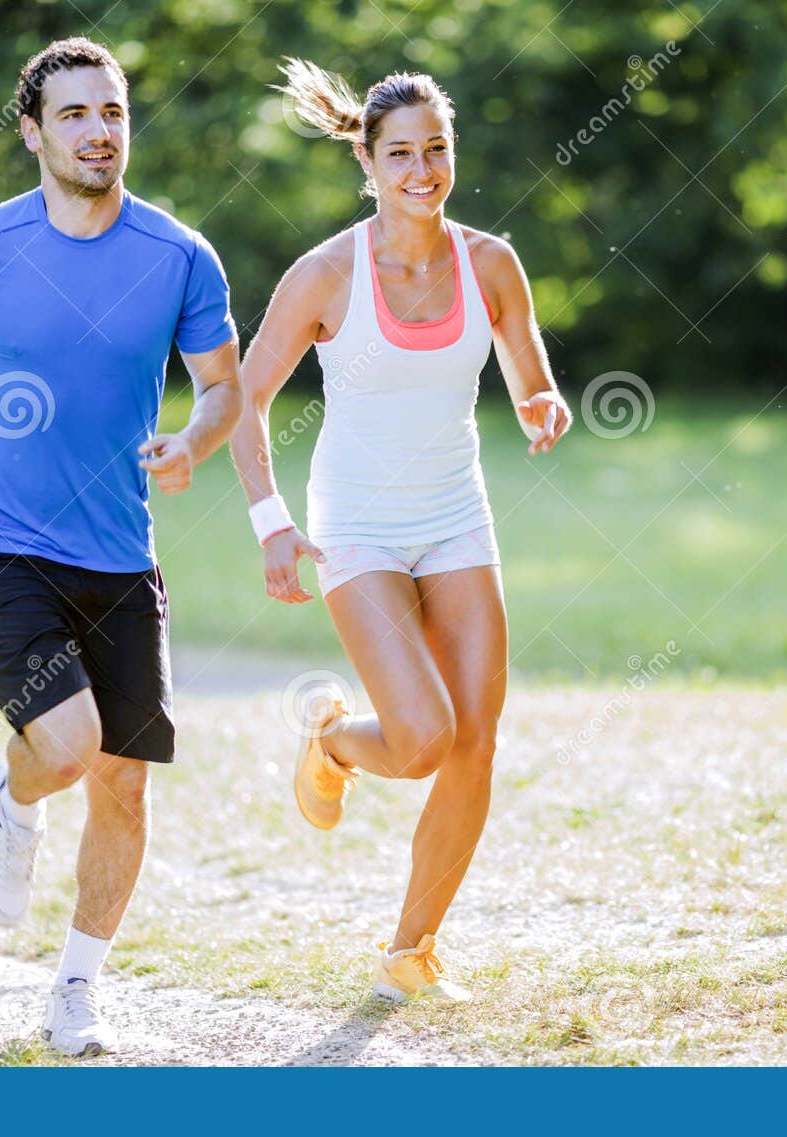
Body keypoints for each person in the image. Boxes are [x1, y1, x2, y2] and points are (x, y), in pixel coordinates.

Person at [0, 38, 242, 1055]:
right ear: (33, 131)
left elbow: (224, 383)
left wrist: (193, 438)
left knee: (125, 782)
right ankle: (18, 784)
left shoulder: (179, 255)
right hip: (1, 536)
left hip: (121, 551)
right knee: (72, 748)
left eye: (114, 112)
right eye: (76, 114)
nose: (98, 131)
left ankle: (75, 988)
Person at [230, 59, 572, 1004]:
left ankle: (410, 951)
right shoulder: (328, 274)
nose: (422, 169)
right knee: (421, 738)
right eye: (401, 154)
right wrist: (274, 527)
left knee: (475, 743)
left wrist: (542, 406)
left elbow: (527, 370)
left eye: (437, 149)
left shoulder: (490, 262)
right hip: (359, 529)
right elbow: (245, 399)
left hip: (457, 519)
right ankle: (335, 742)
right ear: (369, 165)